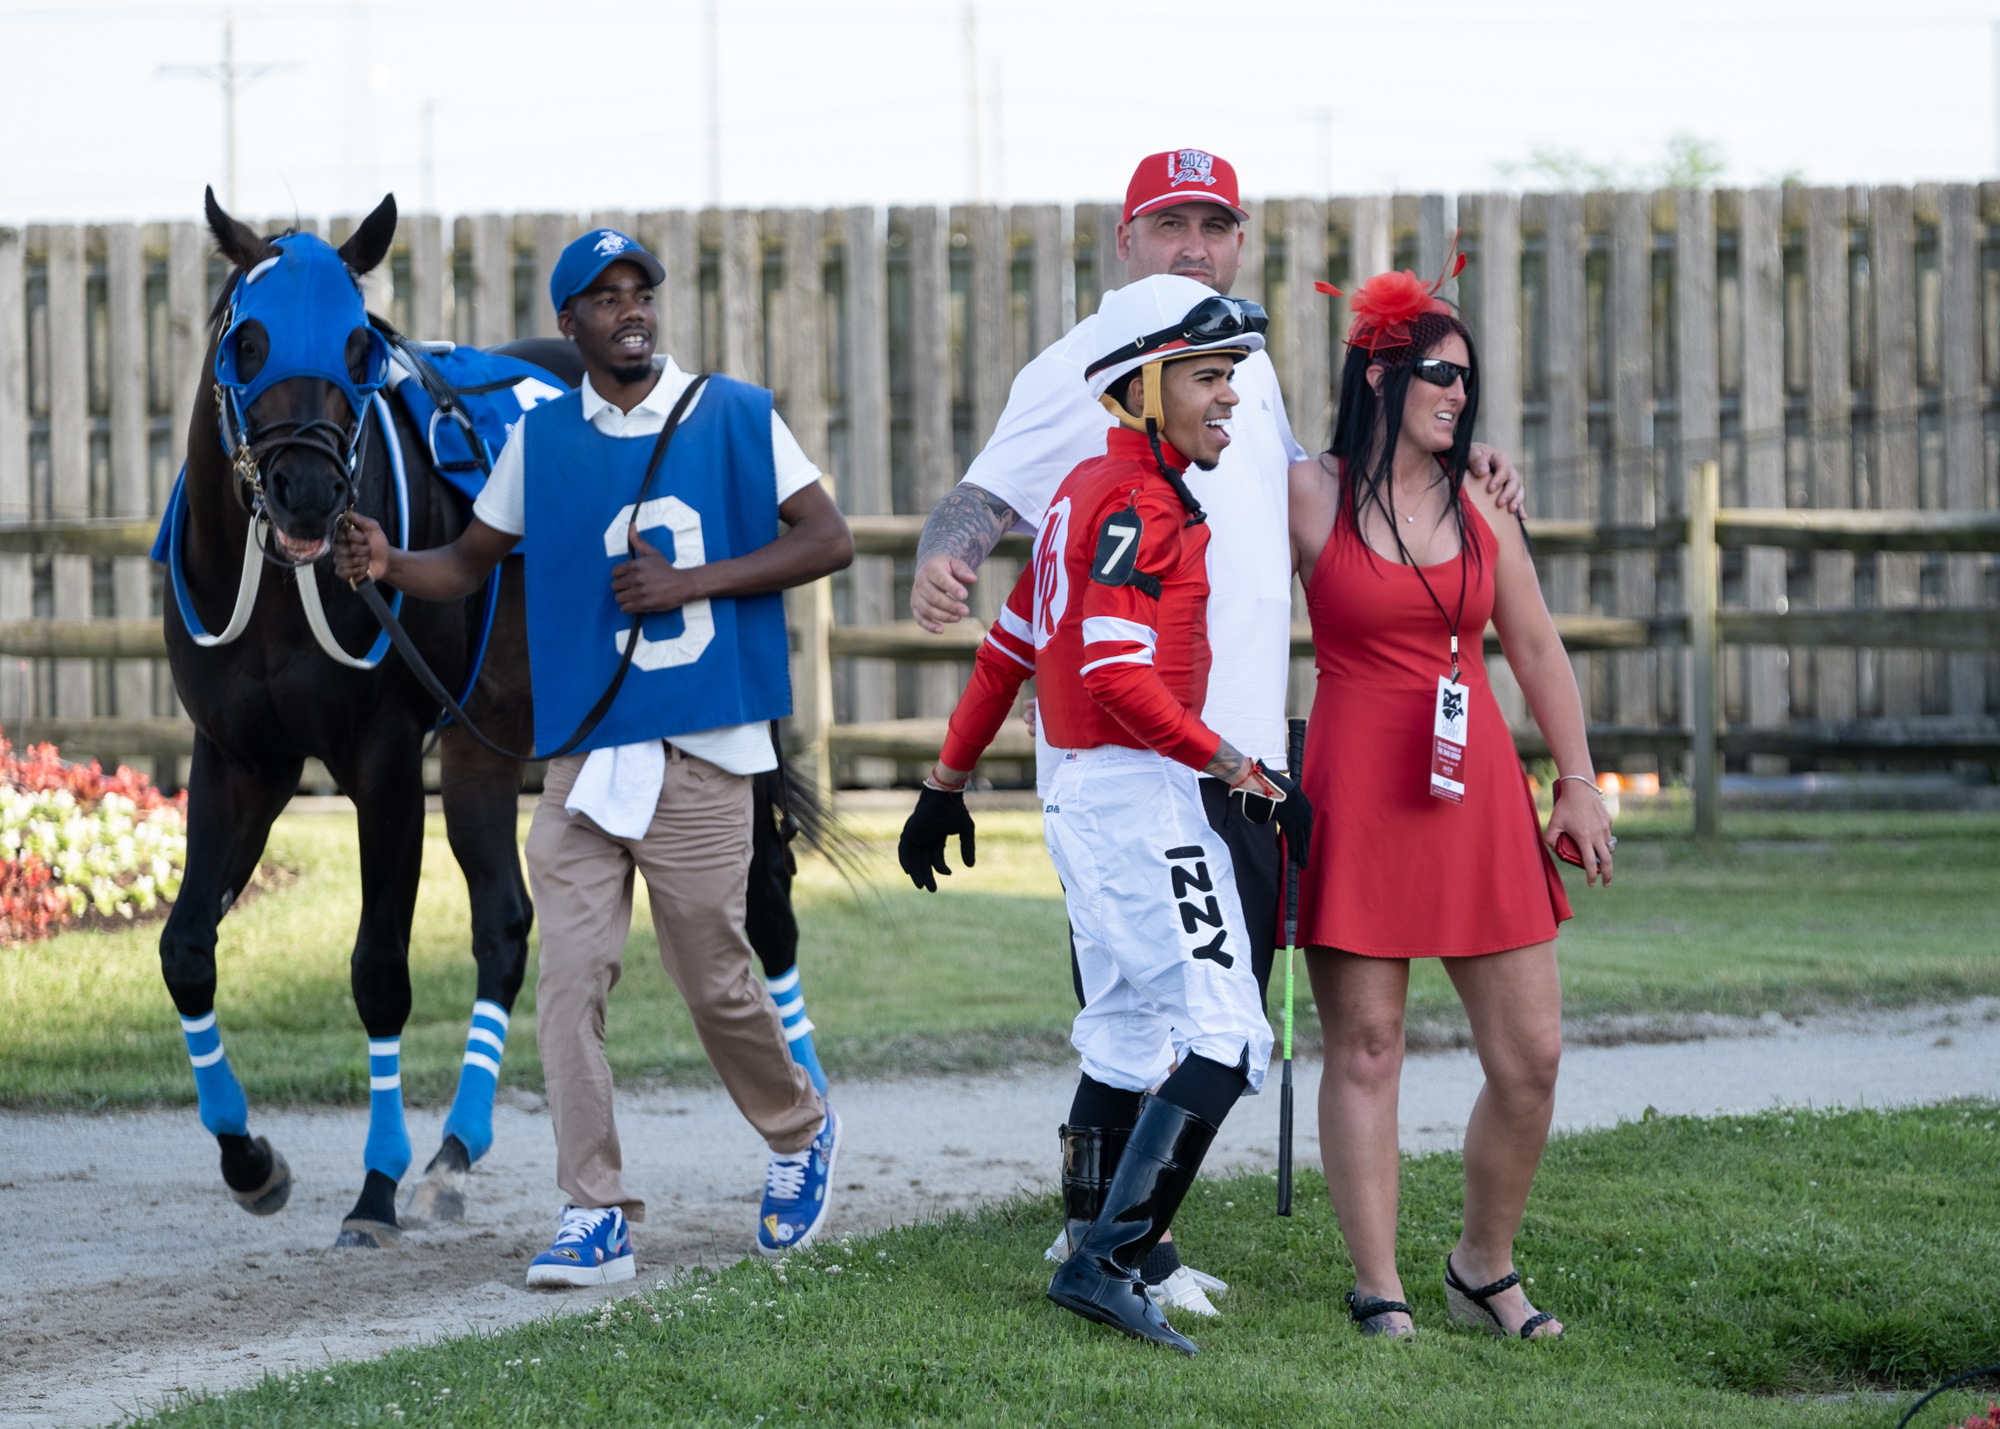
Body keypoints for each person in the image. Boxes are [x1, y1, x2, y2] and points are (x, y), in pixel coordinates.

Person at [907, 148, 1527, 1313]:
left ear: (1239, 241)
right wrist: (946, 548)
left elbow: (1309, 489)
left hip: (1231, 743)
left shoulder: (1228, 356)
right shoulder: (1095, 363)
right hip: (1153, 756)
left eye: (1215, 223)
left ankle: (1099, 1231)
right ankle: (1116, 1246)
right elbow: (989, 495)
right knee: (1182, 1009)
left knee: (1149, 1009)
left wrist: (1451, 448)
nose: (1194, 241)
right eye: (1170, 222)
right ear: (1124, 238)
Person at [334, 227, 852, 1285]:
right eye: (604, 298)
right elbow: (469, 564)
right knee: (568, 979)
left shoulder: (737, 415)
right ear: (570, 324)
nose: (630, 310)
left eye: (640, 292)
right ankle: (593, 1208)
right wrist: (389, 561)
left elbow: (826, 538)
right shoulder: (542, 443)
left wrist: (689, 585)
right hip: (586, 758)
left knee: (710, 973)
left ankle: (799, 1132)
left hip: (707, 745)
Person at [903, 274, 1310, 1356]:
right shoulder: (1134, 501)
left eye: (1232, 375)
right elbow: (1114, 674)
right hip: (1137, 791)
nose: (1230, 397)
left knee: (1129, 1026)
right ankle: (1106, 1261)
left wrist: (943, 782)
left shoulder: (1083, 490)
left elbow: (1008, 652)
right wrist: (1246, 771)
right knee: (1225, 1032)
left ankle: (1087, 1229)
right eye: (1208, 377)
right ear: (1140, 386)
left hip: (1088, 791)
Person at [1288, 259, 1615, 1340]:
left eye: (1465, 380)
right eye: (1436, 373)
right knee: (1368, 1046)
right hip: (1353, 788)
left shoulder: (1482, 496)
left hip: (1472, 791)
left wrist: (1574, 782)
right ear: (1377, 372)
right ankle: (1376, 1282)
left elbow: (1531, 646)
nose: (1455, 393)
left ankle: (1481, 1264)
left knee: (1531, 1056)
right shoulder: (1306, 493)